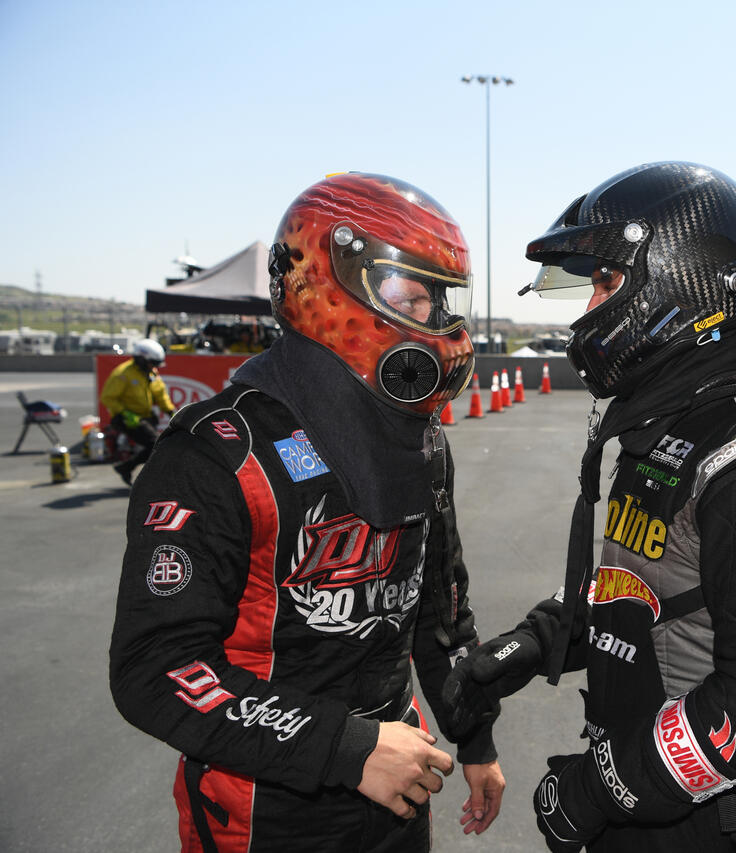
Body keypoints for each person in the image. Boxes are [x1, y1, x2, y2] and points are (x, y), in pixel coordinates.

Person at [440, 161, 736, 852]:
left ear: (681, 278)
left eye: (606, 283)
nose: (588, 308)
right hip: (643, 808)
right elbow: (654, 589)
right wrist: (535, 642)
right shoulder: (672, 420)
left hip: (709, 827)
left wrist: (594, 792)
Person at [109, 172, 505, 852]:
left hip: (398, 783)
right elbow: (156, 665)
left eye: (441, 299)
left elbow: (438, 610)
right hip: (269, 805)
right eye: (412, 294)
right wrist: (345, 747)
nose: (439, 321)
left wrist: (475, 734)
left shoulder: (422, 439)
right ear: (328, 282)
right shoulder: (217, 454)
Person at [100, 337, 177, 485]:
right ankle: (130, 470)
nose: (154, 367)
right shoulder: (123, 373)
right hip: (124, 418)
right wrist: (124, 413)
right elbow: (108, 397)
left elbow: (161, 396)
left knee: (158, 446)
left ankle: (128, 468)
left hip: (145, 417)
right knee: (156, 444)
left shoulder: (152, 374)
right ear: (141, 359)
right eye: (151, 363)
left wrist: (172, 413)